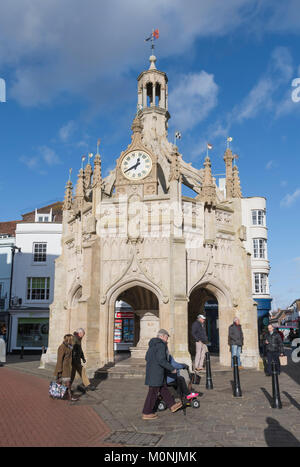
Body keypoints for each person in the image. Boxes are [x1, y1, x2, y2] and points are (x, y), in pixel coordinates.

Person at [142, 329, 183, 420]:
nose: (167, 339)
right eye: (167, 337)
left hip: (152, 372)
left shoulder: (152, 345)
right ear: (162, 336)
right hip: (157, 373)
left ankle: (172, 405)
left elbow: (147, 358)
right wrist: (172, 368)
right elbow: (161, 360)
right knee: (153, 393)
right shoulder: (161, 345)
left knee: (163, 388)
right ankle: (146, 412)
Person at [54, 334, 78, 401]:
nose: (73, 340)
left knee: (60, 382)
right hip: (63, 368)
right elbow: (59, 359)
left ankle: (56, 394)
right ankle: (69, 396)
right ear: (69, 339)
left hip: (67, 367)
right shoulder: (62, 347)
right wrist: (59, 369)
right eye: (72, 339)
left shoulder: (69, 347)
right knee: (67, 383)